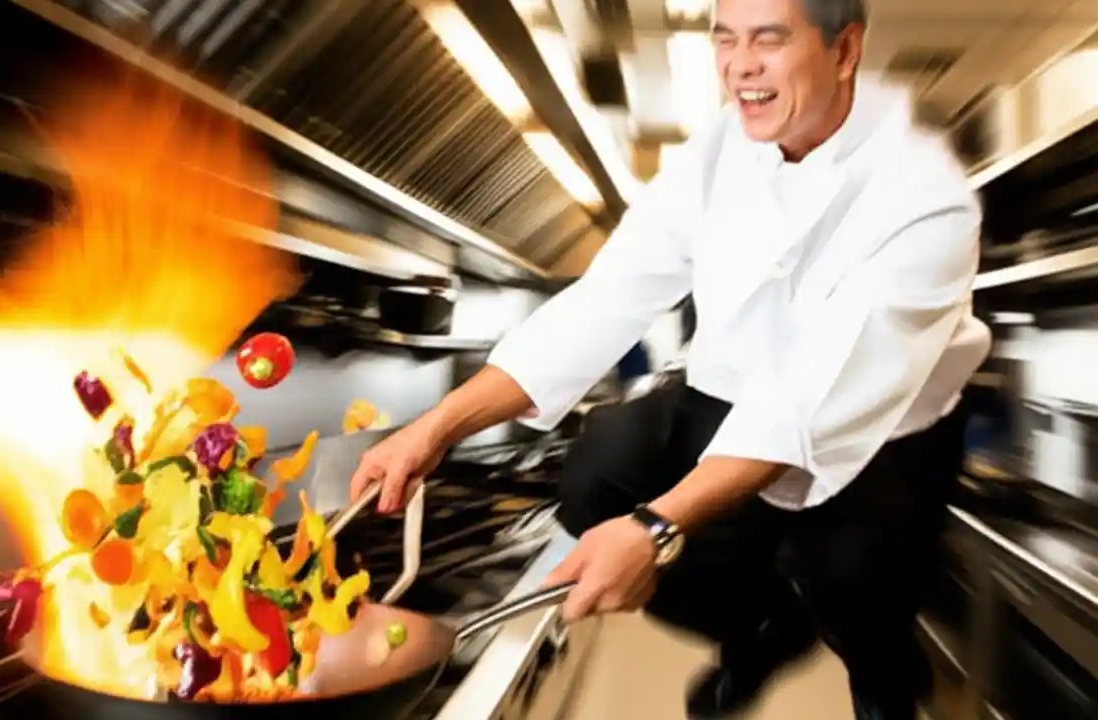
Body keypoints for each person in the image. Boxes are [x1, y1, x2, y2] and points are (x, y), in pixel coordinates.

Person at [349, 0, 990, 716]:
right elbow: (608, 297)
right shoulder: (718, 154)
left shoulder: (926, 195)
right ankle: (757, 636)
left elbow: (808, 398)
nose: (740, 65)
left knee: (854, 588)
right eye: (725, 39)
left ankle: (882, 686)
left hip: (886, 429)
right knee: (599, 470)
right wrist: (439, 425)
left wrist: (656, 528)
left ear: (843, 53)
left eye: (768, 41)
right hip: (726, 391)